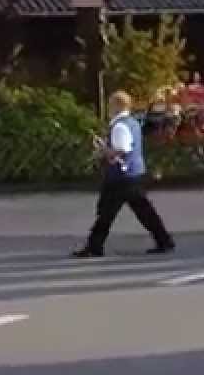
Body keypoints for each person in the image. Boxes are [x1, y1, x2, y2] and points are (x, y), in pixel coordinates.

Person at [72, 91, 175, 258]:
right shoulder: (132, 122)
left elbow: (122, 150)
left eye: (110, 105)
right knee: (144, 210)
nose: (108, 108)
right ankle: (164, 240)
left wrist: (103, 151)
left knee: (106, 212)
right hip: (134, 174)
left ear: (116, 106)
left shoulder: (119, 126)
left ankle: (94, 246)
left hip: (121, 176)